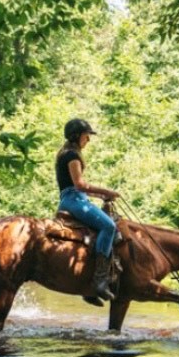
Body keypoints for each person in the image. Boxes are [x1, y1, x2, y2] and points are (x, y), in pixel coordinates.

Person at [56, 118, 119, 300]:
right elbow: (79, 184)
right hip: (74, 200)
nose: (88, 140)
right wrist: (106, 191)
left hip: (73, 198)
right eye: (86, 136)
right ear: (77, 136)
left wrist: (101, 197)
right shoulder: (72, 156)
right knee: (109, 227)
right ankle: (99, 281)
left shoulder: (64, 153)